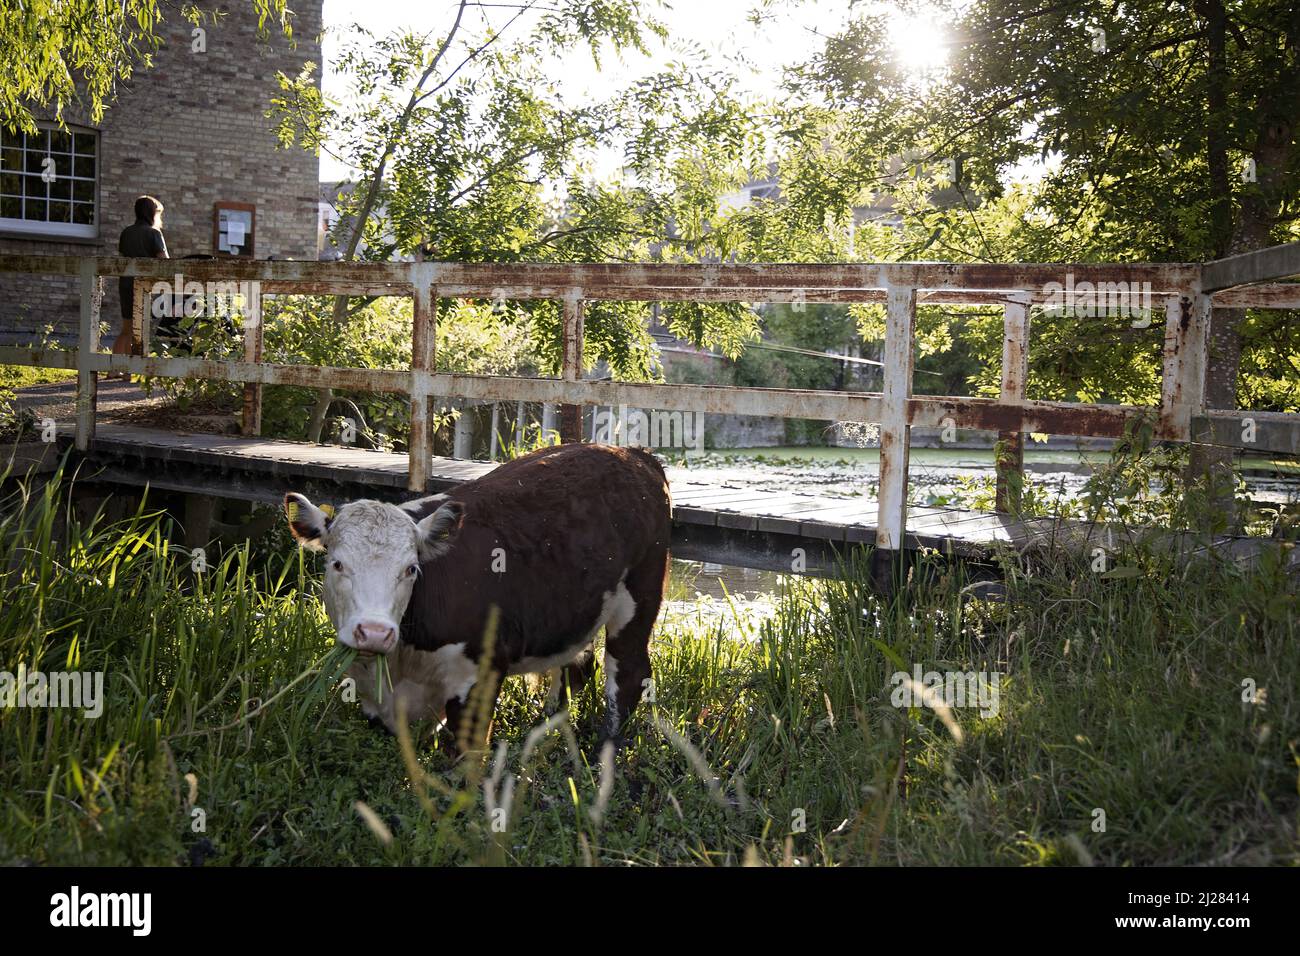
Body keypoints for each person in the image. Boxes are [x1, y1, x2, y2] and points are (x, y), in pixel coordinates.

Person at [114, 195, 169, 357]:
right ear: (152, 213)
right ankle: (129, 371)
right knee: (138, 330)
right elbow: (164, 261)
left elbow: (123, 256)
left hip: (125, 283)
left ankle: (114, 368)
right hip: (143, 285)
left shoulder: (126, 232)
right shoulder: (154, 233)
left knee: (126, 329)